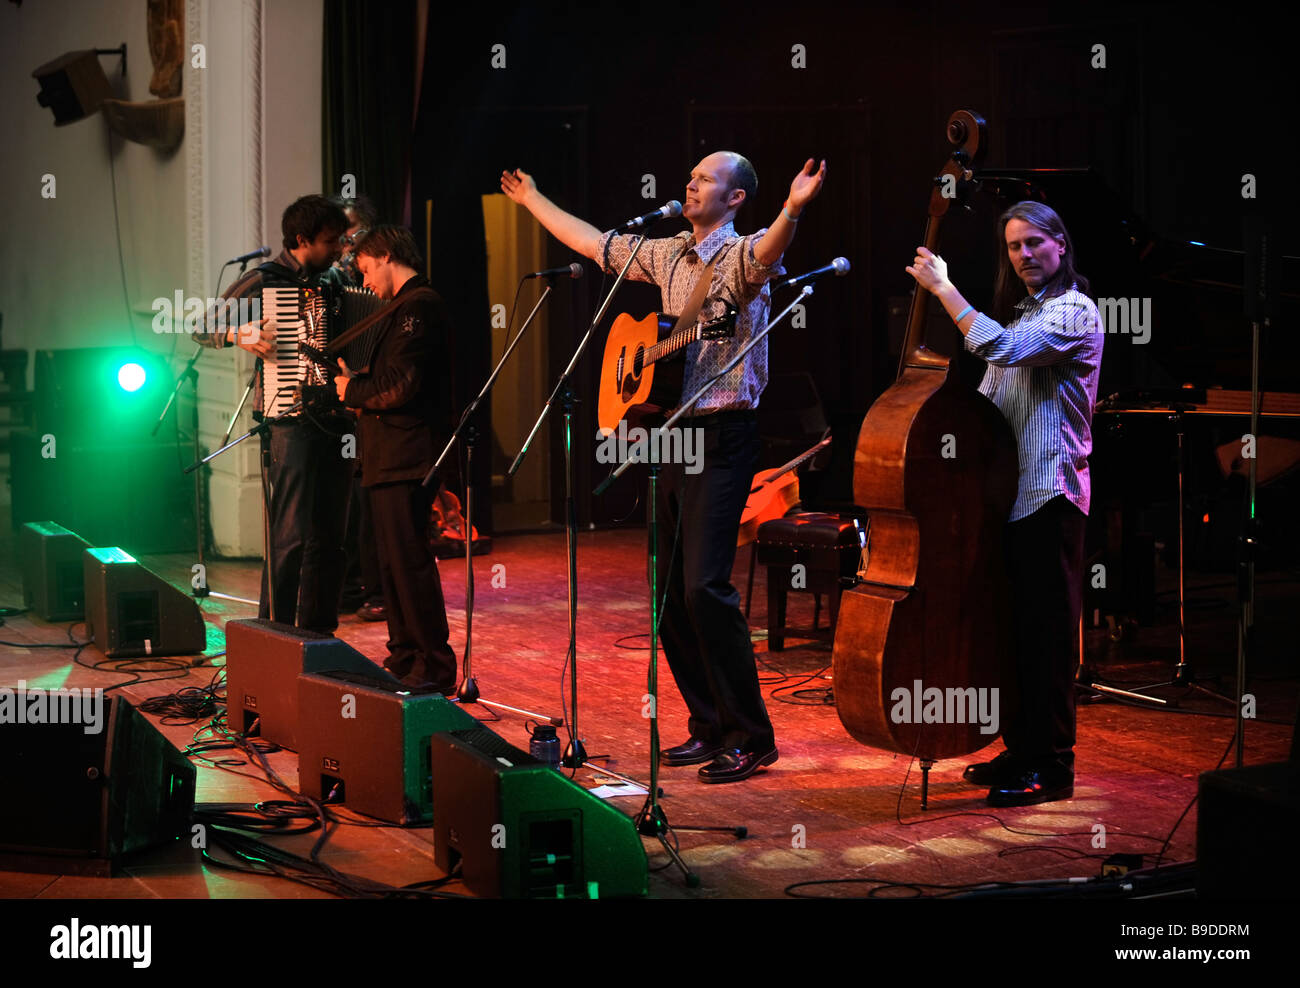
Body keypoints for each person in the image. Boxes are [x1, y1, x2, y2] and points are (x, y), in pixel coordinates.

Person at [502, 151, 826, 782]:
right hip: (670, 434)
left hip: (725, 434)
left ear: (735, 199)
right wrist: (533, 199)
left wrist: (792, 207)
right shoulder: (669, 252)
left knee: (706, 586)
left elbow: (768, 256)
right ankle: (707, 724)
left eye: (707, 178)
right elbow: (595, 243)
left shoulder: (742, 253)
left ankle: (751, 734)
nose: (691, 182)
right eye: (692, 174)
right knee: (668, 594)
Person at [905, 200, 1103, 807]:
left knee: (1045, 637)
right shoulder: (1024, 314)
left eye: (1035, 243)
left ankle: (1053, 764)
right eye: (1014, 247)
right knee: (1012, 632)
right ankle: (1020, 750)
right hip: (1009, 497)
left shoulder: (1075, 311)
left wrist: (943, 289)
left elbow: (1000, 351)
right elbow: (990, 397)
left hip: (1051, 493)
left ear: (1060, 245)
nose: (1024, 256)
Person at [194, 194, 353, 632]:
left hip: (337, 419)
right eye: (328, 241)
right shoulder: (265, 280)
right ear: (301, 239)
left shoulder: (335, 281)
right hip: (290, 419)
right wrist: (238, 335)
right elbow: (202, 327)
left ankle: (320, 632)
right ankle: (276, 633)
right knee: (290, 536)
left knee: (331, 538)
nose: (337, 249)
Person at [333, 225, 459, 691]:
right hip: (387, 455)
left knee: (409, 563)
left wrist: (351, 390)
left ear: (385, 255)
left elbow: (400, 386)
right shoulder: (401, 307)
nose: (364, 282)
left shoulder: (420, 306)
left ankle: (434, 664)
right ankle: (406, 655)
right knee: (390, 564)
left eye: (365, 269)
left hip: (407, 453)